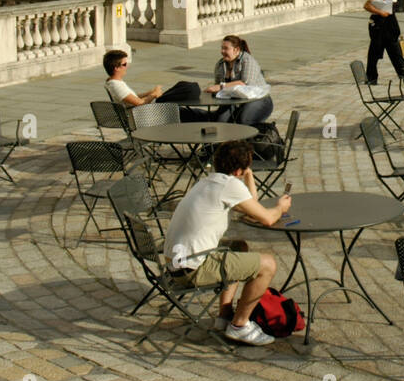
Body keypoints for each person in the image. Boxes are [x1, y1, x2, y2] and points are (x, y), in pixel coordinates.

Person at [163, 141, 292, 345]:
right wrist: (280, 207)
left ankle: (224, 315)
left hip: (175, 264)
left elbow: (251, 204)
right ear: (239, 169)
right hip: (191, 270)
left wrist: (247, 176)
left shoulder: (207, 182)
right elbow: (266, 217)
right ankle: (239, 326)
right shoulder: (229, 186)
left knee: (238, 247)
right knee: (268, 264)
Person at [103, 50, 207, 120]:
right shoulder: (116, 85)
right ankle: (207, 118)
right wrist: (153, 95)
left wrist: (150, 92)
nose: (127, 66)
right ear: (116, 68)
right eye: (124, 64)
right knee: (181, 111)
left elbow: (133, 98)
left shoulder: (114, 83)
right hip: (141, 119)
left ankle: (206, 116)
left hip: (140, 115)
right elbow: (139, 103)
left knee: (180, 105)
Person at [208, 35, 273, 129]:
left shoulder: (247, 61)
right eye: (222, 48)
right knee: (221, 122)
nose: (222, 51)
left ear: (236, 49)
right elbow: (217, 87)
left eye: (226, 48)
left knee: (244, 120)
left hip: (258, 99)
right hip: (234, 101)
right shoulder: (220, 65)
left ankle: (248, 142)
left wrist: (221, 86)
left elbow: (246, 84)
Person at [363, 0, 404, 86]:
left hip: (390, 27)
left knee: (396, 54)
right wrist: (381, 12)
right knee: (374, 53)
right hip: (379, 27)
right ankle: (371, 78)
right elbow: (367, 6)